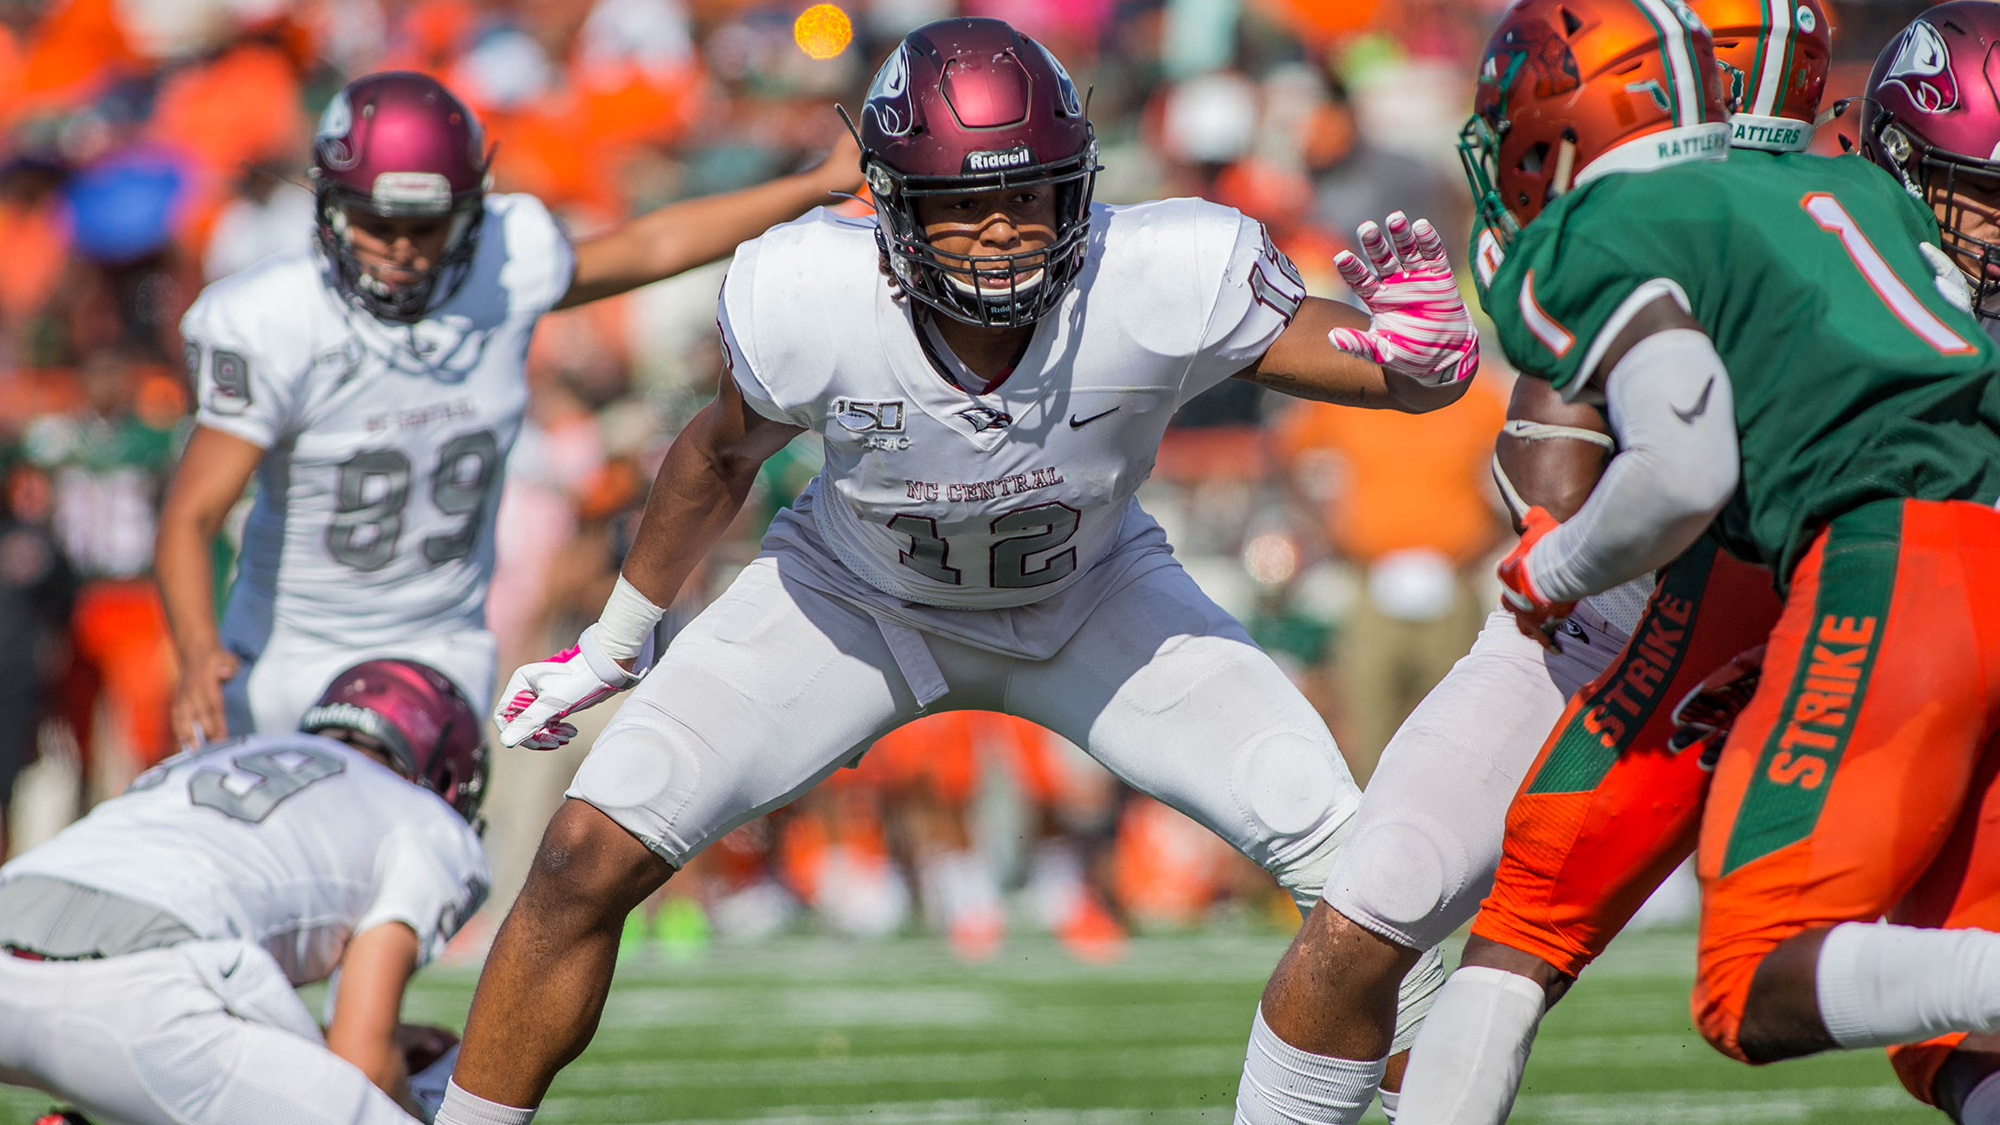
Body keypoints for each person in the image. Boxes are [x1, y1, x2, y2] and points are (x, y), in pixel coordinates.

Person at [431, 17, 1484, 1125]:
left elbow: (1370, 363)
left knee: (1372, 896)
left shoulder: (1159, 270)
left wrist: (1422, 368)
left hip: (1093, 597)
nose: (999, 233)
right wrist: (614, 640)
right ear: (887, 206)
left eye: (1027, 197)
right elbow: (714, 453)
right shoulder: (809, 294)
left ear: (1076, 188)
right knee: (583, 854)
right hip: (852, 600)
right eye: (960, 206)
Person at [1234, 3, 1826, 1121]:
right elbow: (1545, 463)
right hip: (1591, 640)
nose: (1518, 145)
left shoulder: (1853, 224)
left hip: (1822, 644)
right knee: (1388, 898)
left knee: (1861, 980)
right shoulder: (1618, 231)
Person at [1409, 0, 2000, 1119]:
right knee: (1946, 1013)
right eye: (1978, 199)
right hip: (1858, 565)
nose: (1988, 236)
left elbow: (1673, 466)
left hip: (1871, 560)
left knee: (1744, 974)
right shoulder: (1855, 202)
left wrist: (1553, 569)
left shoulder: (1620, 221)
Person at [154, 70, 862, 744]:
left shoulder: (505, 259)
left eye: (425, 226)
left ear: (467, 212)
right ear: (331, 208)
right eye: (377, 223)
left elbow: (650, 244)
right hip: (289, 652)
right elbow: (191, 512)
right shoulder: (273, 318)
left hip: (441, 646)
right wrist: (194, 647)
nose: (401, 249)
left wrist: (814, 186)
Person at [0, 658, 490, 1125]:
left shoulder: (221, 754)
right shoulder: (425, 820)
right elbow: (364, 1054)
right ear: (446, 774)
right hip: (140, 993)